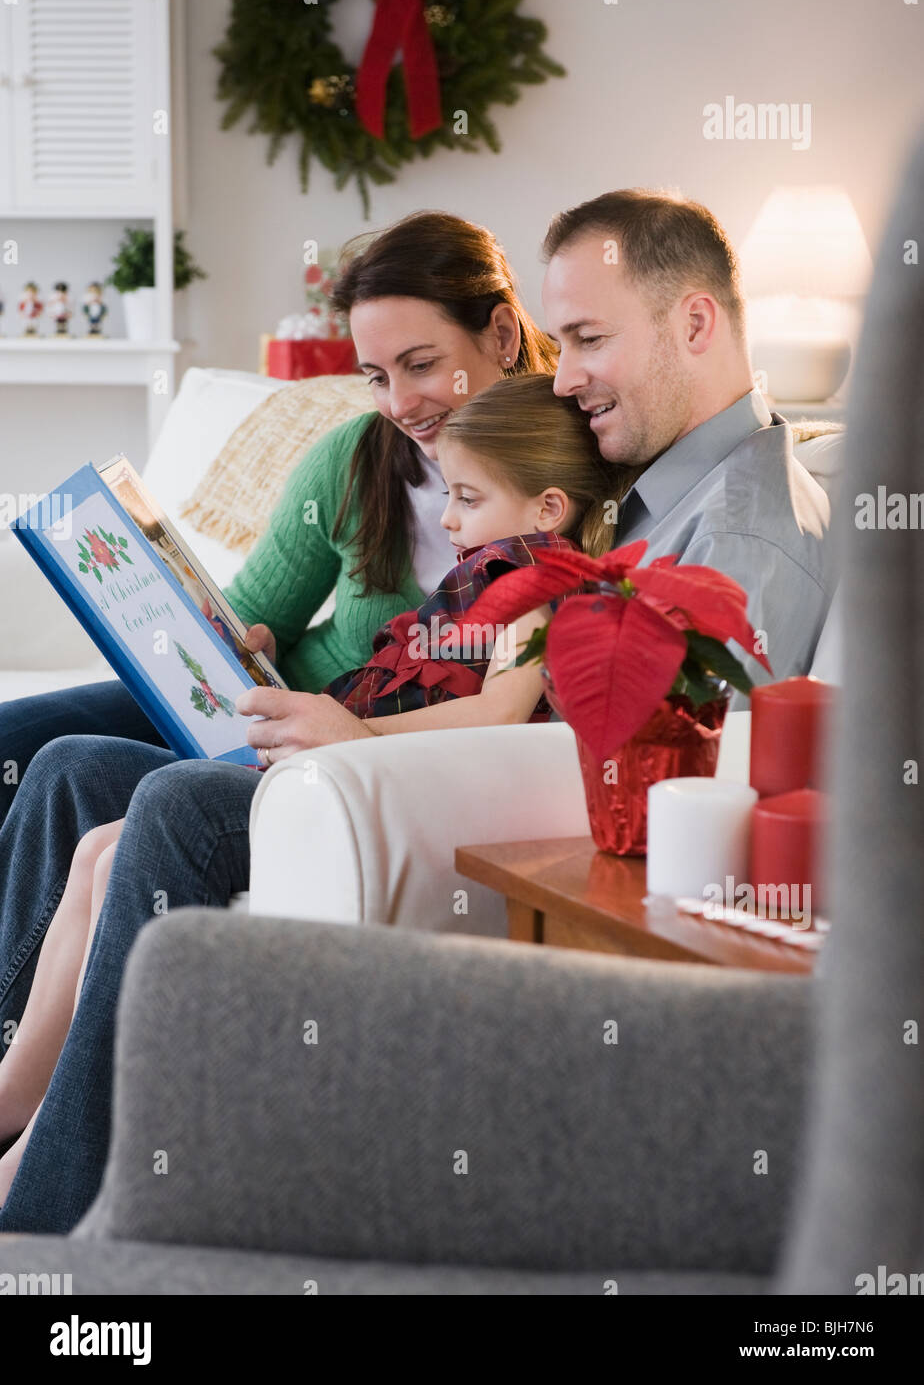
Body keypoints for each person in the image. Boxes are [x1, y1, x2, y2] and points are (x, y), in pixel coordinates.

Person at [0, 189, 834, 1234]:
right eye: (560, 339)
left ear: (696, 323)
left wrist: (356, 743)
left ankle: (38, 1213)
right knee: (61, 757)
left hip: (433, 773)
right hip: (358, 733)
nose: (564, 375)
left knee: (158, 806)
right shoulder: (634, 471)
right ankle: (22, 1127)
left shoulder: (726, 525)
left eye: (584, 339)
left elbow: (631, 755)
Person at [0, 374, 616, 1204]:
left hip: (352, 775)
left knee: (118, 853)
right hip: (318, 753)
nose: (449, 518)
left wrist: (351, 737)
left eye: (468, 498)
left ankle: (24, 1159)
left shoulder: (544, 584)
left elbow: (502, 709)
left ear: (547, 508)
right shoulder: (491, 567)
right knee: (95, 851)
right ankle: (16, 1108)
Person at [0, 210, 556, 828]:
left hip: (352, 755)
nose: (398, 405)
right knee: (15, 743)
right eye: (376, 376)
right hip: (266, 711)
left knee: (72, 772)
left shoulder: (566, 472)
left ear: (502, 334)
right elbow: (260, 615)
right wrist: (243, 640)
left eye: (421, 364)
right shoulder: (350, 459)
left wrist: (350, 733)